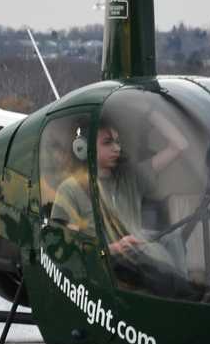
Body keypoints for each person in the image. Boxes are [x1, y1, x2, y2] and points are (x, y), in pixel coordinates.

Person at [53, 110, 189, 270]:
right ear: (83, 148)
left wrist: (149, 110)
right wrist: (114, 249)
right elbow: (69, 249)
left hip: (138, 256)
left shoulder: (131, 177)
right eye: (107, 142)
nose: (117, 148)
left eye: (117, 142)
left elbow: (180, 145)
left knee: (172, 238)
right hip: (107, 267)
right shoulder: (71, 189)